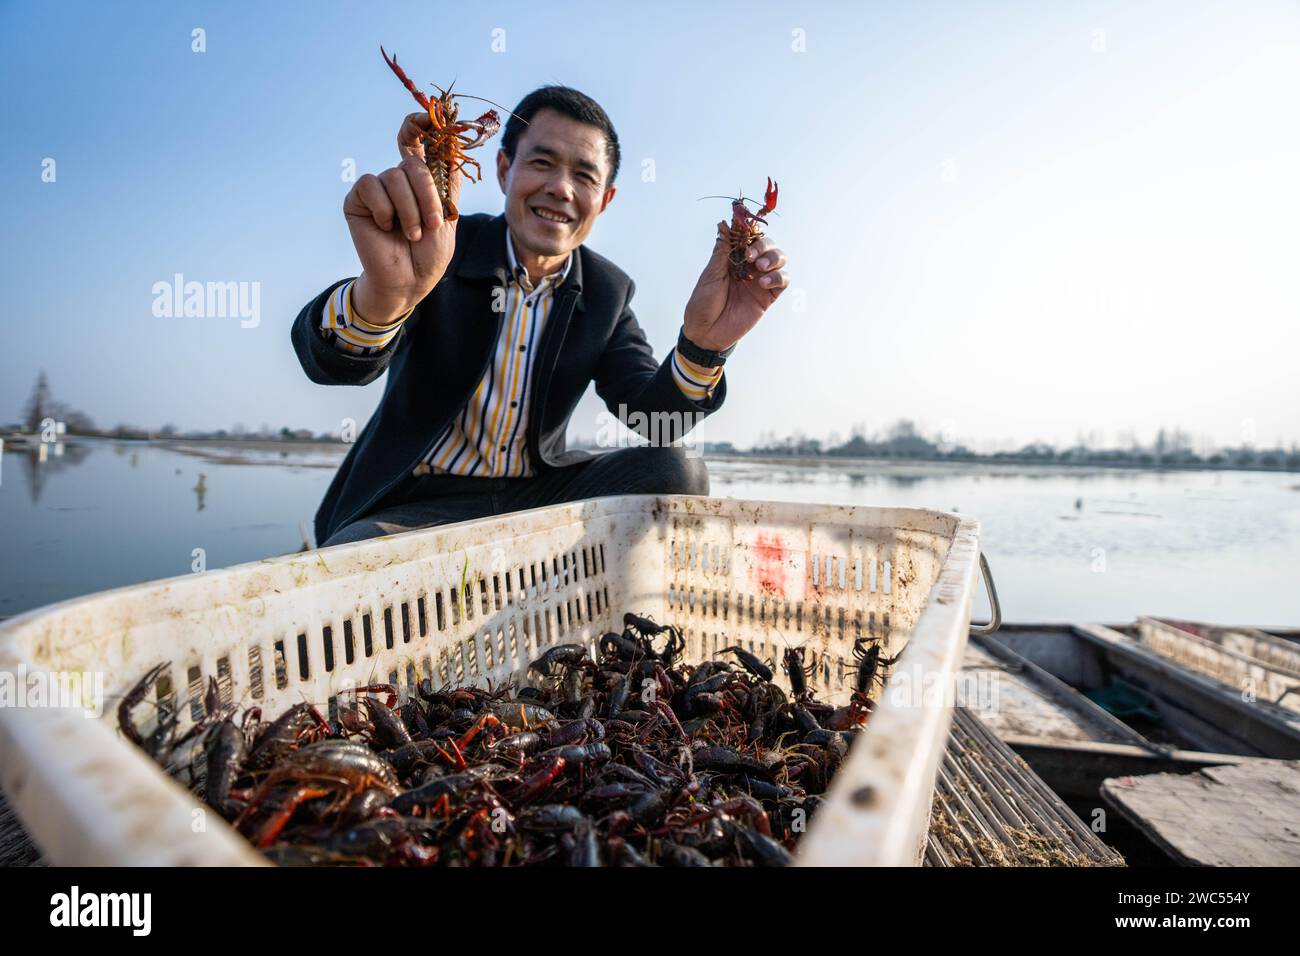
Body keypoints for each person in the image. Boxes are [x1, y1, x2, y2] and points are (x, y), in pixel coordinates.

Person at [291, 86, 789, 547]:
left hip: (536, 497)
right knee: (360, 553)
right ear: (504, 169)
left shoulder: (607, 290)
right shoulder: (440, 246)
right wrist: (383, 298)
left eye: (584, 175)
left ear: (605, 199)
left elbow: (650, 419)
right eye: (542, 162)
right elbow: (330, 364)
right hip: (414, 504)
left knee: (677, 469)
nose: (560, 188)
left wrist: (703, 346)